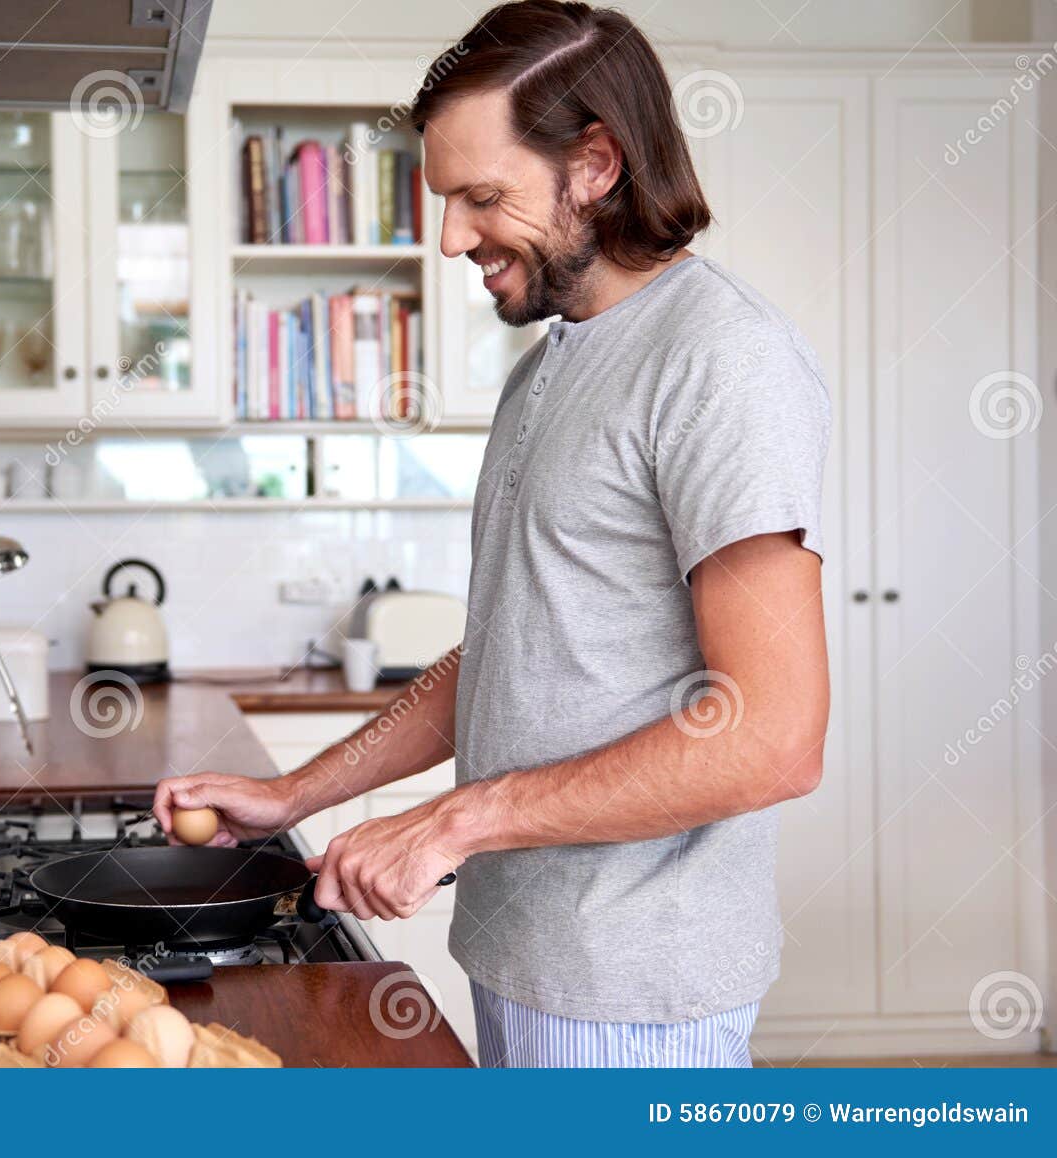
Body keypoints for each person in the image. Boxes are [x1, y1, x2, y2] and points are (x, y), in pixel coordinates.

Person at [153, 0, 830, 1068]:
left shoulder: (721, 360)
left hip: (632, 987)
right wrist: (294, 795)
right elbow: (504, 656)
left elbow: (773, 735)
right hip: (521, 953)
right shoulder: (545, 371)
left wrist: (451, 822)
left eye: (482, 197)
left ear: (595, 165)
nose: (451, 238)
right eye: (446, 200)